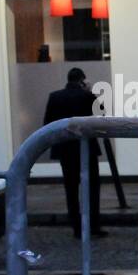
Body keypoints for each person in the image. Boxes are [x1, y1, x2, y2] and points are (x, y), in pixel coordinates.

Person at [42, 67, 105, 238]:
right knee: (92, 187)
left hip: (66, 149)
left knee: (71, 188)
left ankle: (77, 227)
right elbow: (102, 115)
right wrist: (90, 91)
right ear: (82, 80)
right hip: (87, 148)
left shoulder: (55, 97)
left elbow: (48, 122)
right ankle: (93, 226)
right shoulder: (88, 96)